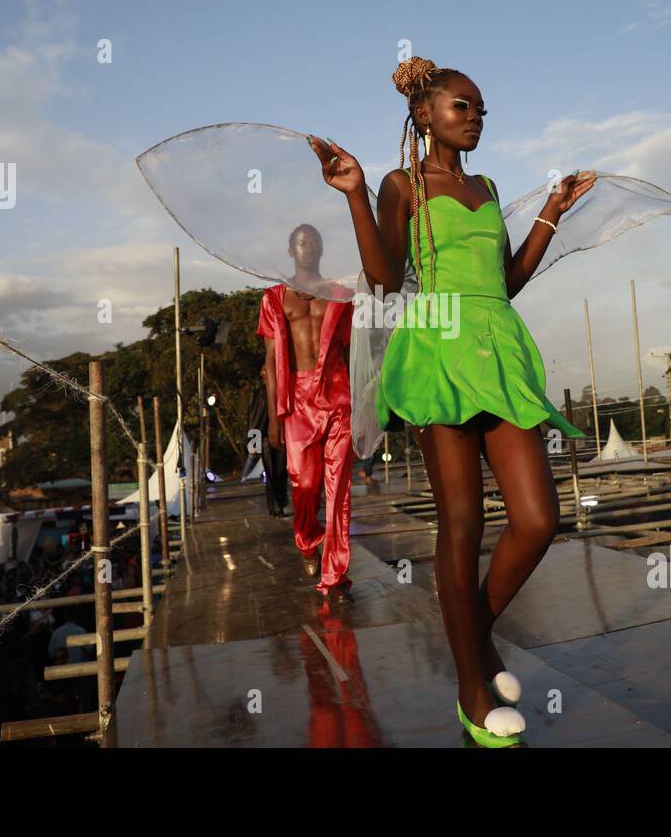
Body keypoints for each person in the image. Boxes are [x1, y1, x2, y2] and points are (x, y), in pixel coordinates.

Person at [311, 56, 596, 747]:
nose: (475, 118)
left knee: (538, 518)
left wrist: (552, 213)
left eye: (480, 110)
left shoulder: (490, 185)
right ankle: (473, 688)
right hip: (437, 347)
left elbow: (508, 279)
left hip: (498, 348)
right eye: (462, 107)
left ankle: (473, 639)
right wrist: (352, 192)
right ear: (424, 115)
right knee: (461, 521)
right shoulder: (401, 184)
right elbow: (383, 279)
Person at [256, 226, 355, 602]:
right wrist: (273, 418)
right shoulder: (274, 298)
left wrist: (364, 403)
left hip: (337, 396)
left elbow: (352, 352)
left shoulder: (340, 295)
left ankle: (336, 577)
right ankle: (307, 540)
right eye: (302, 243)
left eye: (314, 242)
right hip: (296, 401)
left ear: (322, 247)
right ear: (290, 249)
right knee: (306, 487)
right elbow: (269, 362)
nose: (308, 248)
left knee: (338, 491)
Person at [246, 364, 289, 516]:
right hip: (265, 439)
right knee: (271, 473)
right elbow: (255, 420)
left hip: (283, 437)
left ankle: (280, 501)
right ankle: (276, 506)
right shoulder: (260, 393)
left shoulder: (281, 389)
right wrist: (253, 446)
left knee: (281, 471)